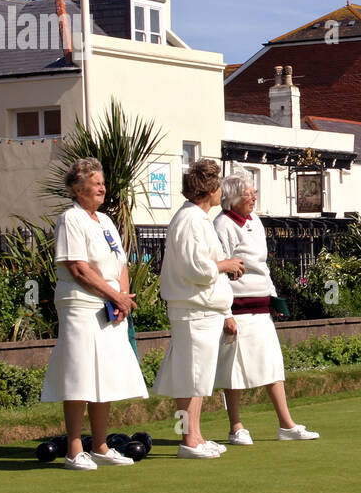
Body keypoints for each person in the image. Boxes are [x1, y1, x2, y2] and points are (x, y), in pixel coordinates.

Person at [40, 157, 149, 470]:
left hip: (109, 307)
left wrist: (122, 299)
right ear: (77, 188)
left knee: (106, 374)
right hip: (81, 306)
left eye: (103, 182)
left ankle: (100, 445)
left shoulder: (105, 221)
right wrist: (115, 296)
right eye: (95, 183)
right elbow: (78, 268)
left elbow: (121, 264)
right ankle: (74, 448)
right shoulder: (70, 219)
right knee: (81, 373)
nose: (102, 187)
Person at [213, 172, 318, 443]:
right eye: (248, 193)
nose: (253, 197)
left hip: (261, 308)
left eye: (253, 192)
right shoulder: (222, 224)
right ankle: (236, 427)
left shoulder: (255, 221)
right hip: (236, 309)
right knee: (233, 369)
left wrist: (273, 297)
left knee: (272, 364)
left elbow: (262, 266)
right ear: (234, 197)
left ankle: (286, 424)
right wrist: (225, 313)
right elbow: (220, 270)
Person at [153, 158, 245, 459]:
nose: (221, 191)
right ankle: (189, 441)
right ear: (209, 189)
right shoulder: (191, 220)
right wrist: (226, 265)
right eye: (218, 185)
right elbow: (196, 268)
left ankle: (195, 435)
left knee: (197, 376)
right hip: (193, 310)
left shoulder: (197, 218)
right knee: (192, 376)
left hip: (202, 309)